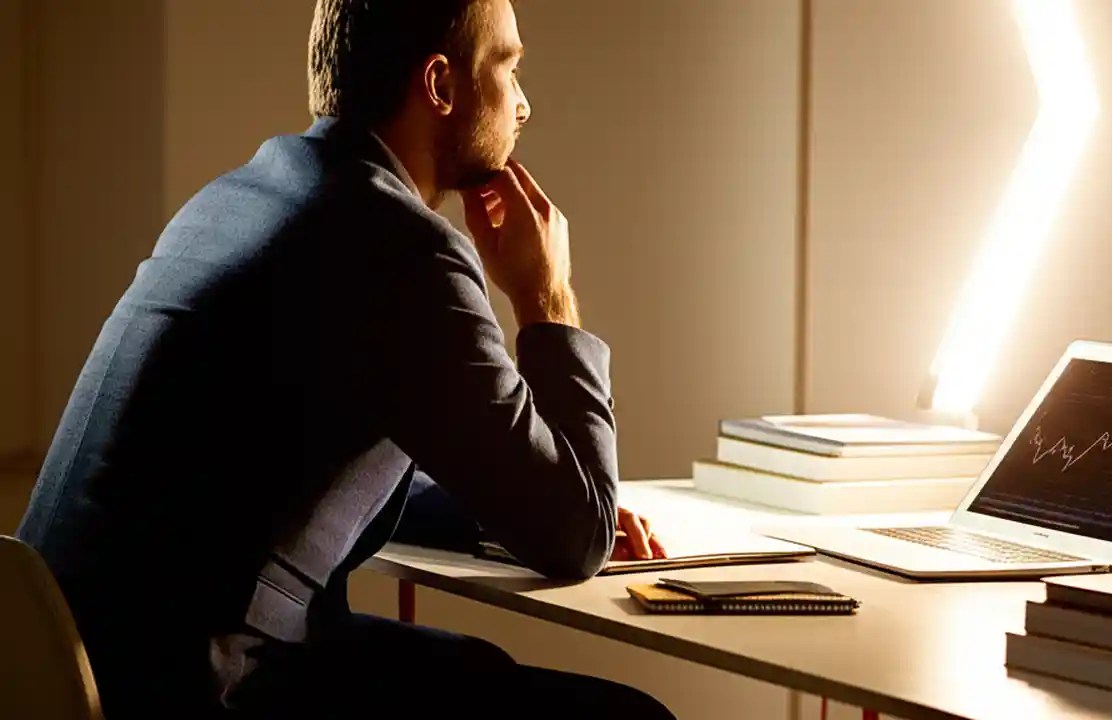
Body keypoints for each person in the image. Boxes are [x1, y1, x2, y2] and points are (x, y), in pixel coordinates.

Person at [17, 0, 676, 717]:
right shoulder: (401, 248)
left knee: (473, 667)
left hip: (63, 665)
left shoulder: (237, 200)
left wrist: (504, 502)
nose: (523, 104)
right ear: (441, 85)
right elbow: (574, 537)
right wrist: (547, 296)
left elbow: (289, 462)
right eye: (507, 65)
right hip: (196, 689)